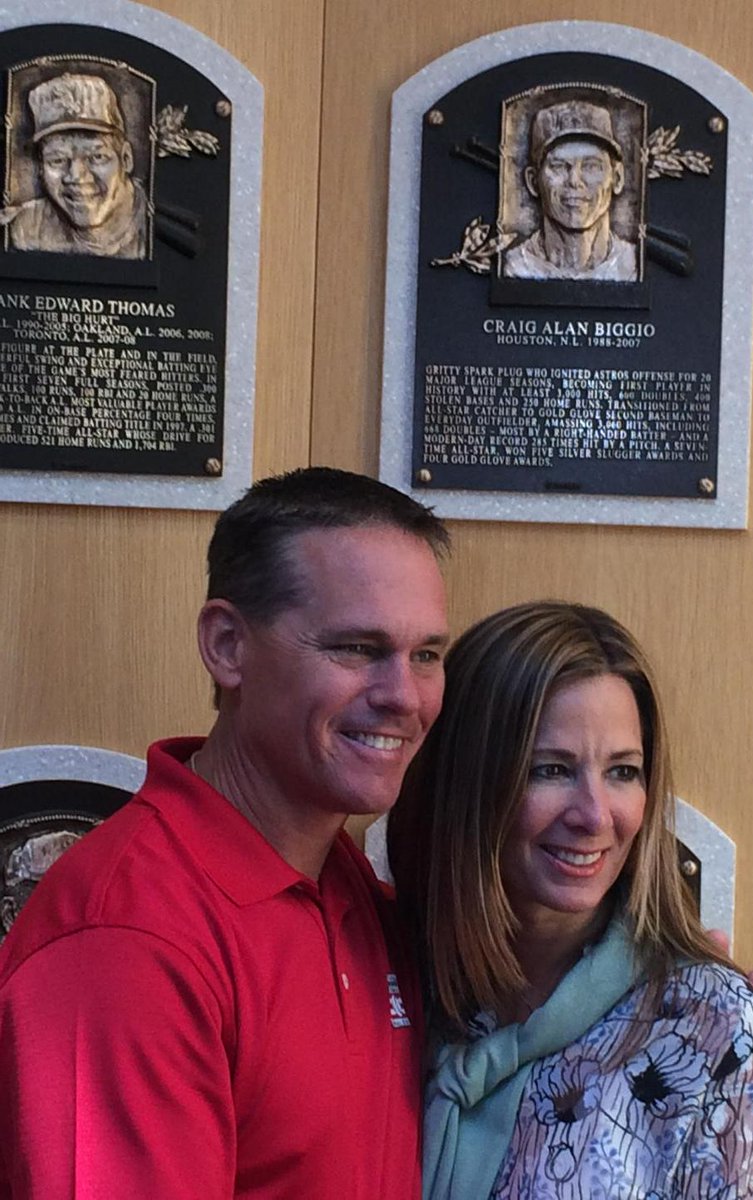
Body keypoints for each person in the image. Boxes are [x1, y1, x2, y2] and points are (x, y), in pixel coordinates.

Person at [0, 467, 451, 1198]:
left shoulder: (345, 884)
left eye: (426, 655)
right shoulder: (126, 939)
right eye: (357, 649)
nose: (403, 694)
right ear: (227, 645)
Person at [388, 601, 753, 1198]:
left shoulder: (710, 1024)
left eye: (623, 772)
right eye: (550, 770)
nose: (596, 815)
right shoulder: (385, 980)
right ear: (469, 783)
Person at [1, 73, 148, 258]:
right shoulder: (26, 227)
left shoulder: (153, 226)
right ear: (40, 168)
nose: (77, 176)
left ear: (126, 159)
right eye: (58, 160)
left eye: (97, 157)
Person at [503, 99, 638, 282]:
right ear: (533, 181)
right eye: (558, 166)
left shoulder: (634, 265)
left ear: (617, 178)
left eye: (591, 166)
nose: (574, 181)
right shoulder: (513, 267)